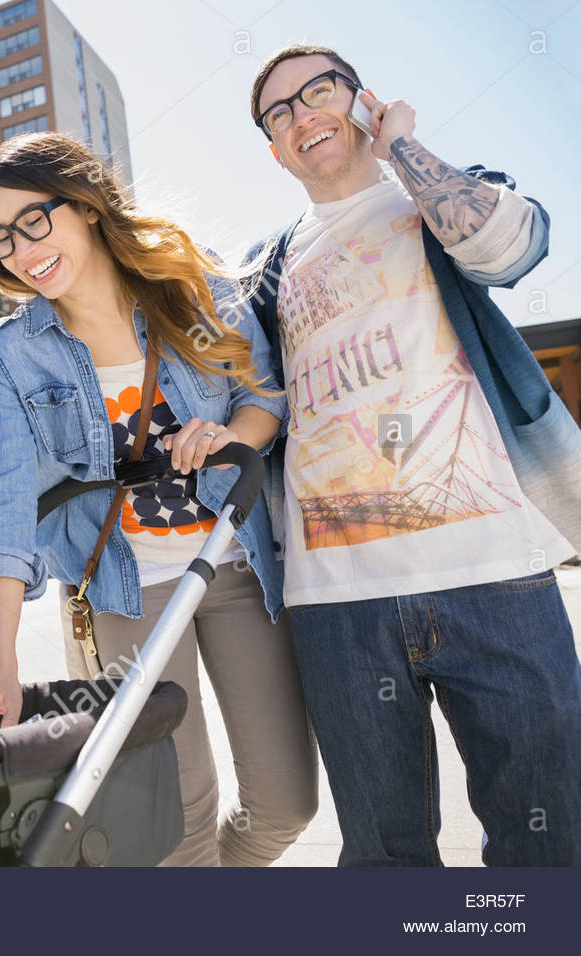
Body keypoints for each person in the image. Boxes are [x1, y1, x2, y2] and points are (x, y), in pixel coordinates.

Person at [246, 43, 581, 866]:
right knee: (382, 858)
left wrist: (399, 142)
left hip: (492, 574)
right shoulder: (268, 269)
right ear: (271, 146)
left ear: (360, 100)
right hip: (336, 602)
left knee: (550, 838)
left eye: (317, 91)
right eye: (278, 112)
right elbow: (252, 397)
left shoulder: (431, 199)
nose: (300, 116)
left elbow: (510, 248)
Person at [0, 131, 317, 867]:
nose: (21, 249)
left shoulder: (191, 289)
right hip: (125, 591)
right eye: (0, 238)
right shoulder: (10, 354)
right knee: (177, 822)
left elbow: (264, 401)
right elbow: (3, 510)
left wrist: (228, 440)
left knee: (287, 803)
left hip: (235, 566)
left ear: (88, 207)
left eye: (35, 220)